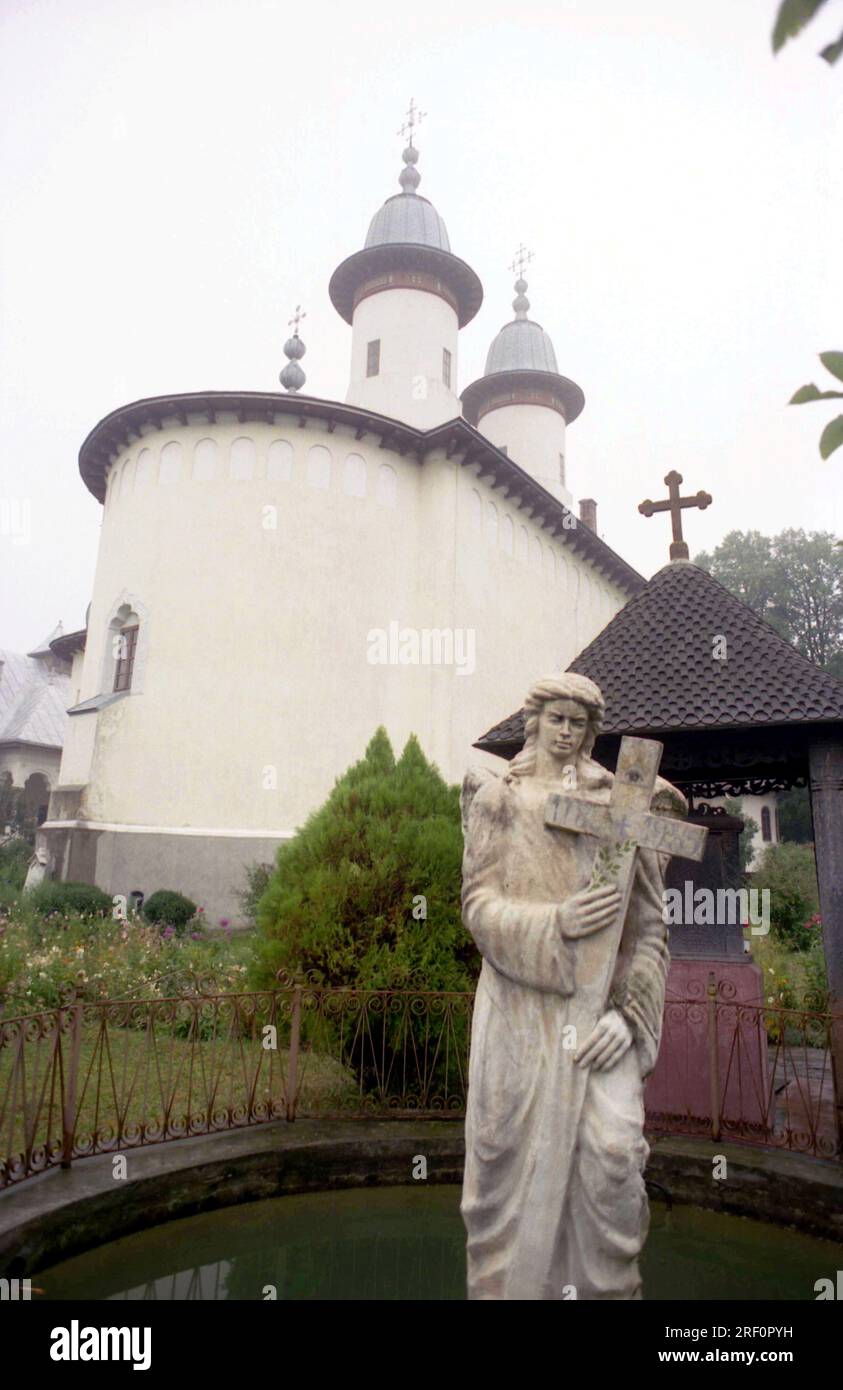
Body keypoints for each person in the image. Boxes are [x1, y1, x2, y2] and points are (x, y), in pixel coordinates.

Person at [460, 672, 679, 1300]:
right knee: (503, 1165)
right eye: (556, 718)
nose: (566, 731)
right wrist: (553, 922)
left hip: (600, 1022)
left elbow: (650, 930)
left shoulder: (621, 806)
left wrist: (630, 1017)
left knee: (613, 1156)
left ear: (591, 733)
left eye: (578, 723)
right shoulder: (499, 799)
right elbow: (478, 907)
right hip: (519, 1014)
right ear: (534, 723)